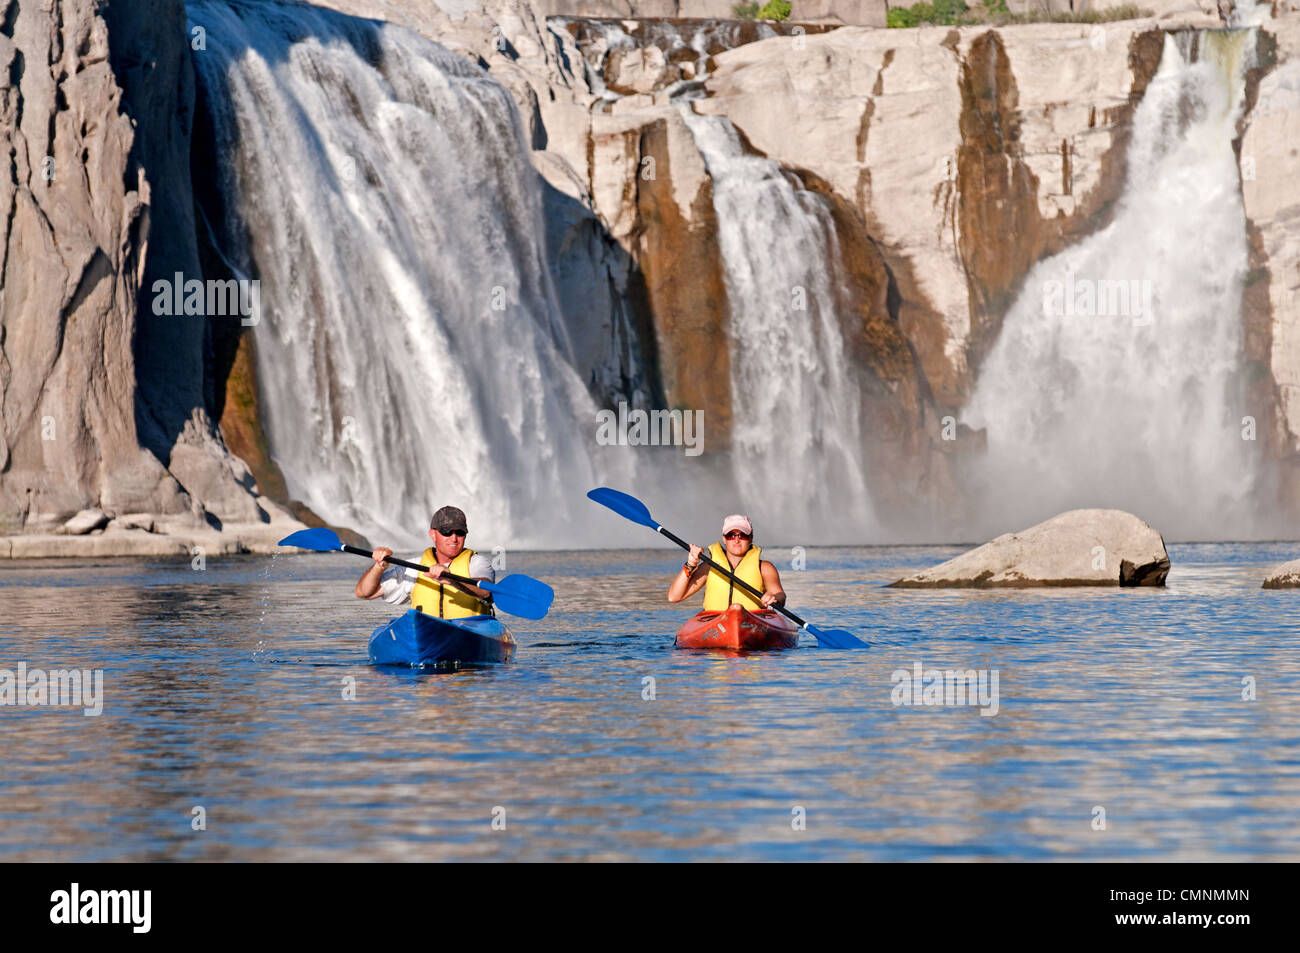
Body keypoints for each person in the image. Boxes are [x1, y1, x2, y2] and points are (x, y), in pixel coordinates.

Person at [354, 505, 495, 618]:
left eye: (460, 533)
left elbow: (486, 591)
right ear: (433, 534)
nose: (454, 538)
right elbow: (363, 592)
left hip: (469, 637)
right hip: (429, 637)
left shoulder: (477, 563)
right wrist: (379, 567)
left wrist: (453, 581)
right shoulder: (414, 568)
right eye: (447, 532)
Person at [667, 514, 786, 611]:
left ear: (751, 538)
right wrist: (691, 564)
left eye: (742, 535)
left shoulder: (764, 567)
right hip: (715, 622)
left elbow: (780, 595)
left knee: (737, 608)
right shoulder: (709, 567)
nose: (737, 539)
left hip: (752, 622)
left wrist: (774, 597)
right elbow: (674, 597)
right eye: (731, 535)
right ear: (724, 538)